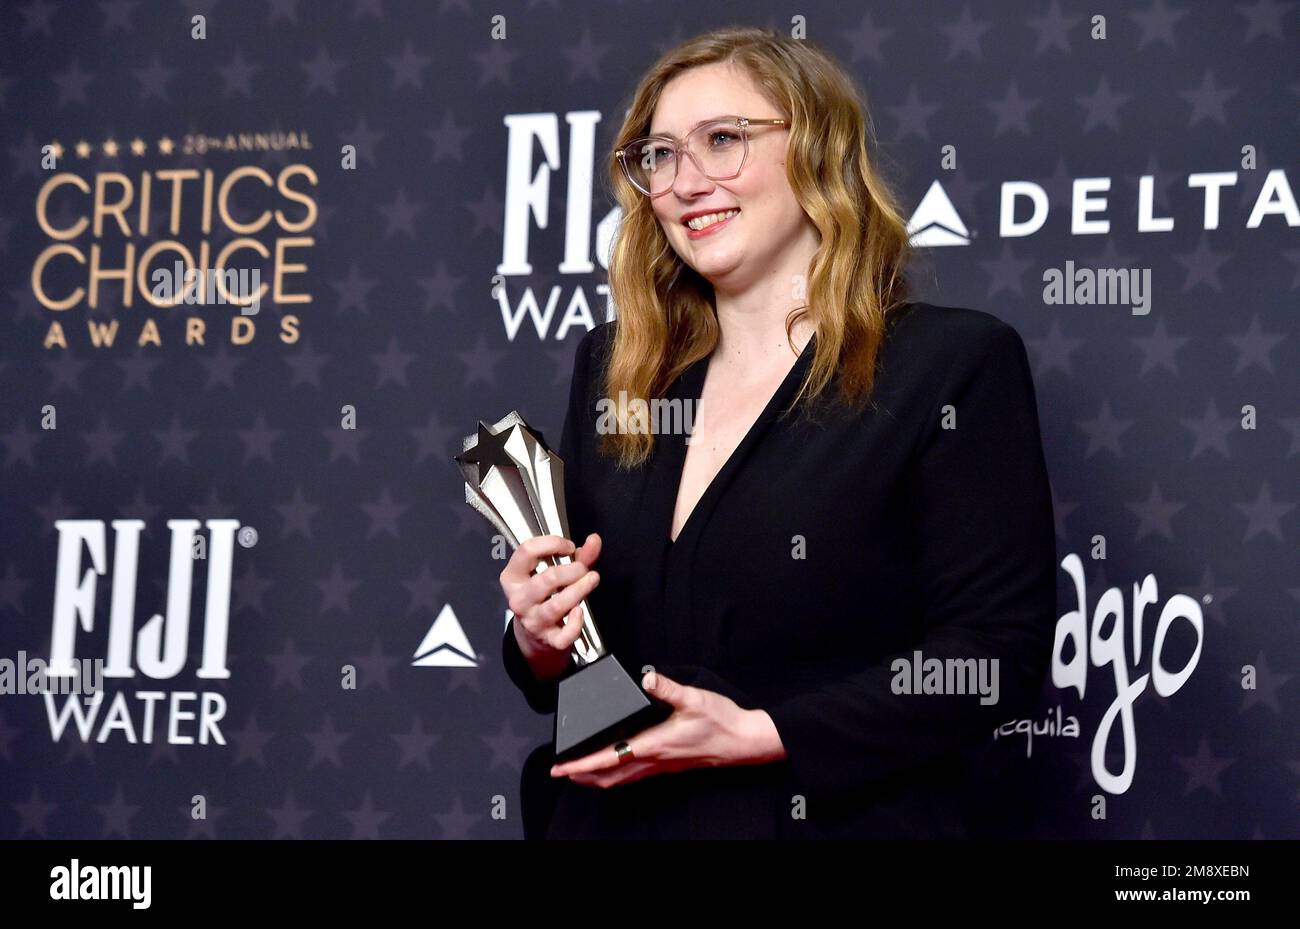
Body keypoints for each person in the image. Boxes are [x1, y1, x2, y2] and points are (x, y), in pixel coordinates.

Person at [498, 26, 1056, 839]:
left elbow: (992, 657)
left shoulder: (950, 364)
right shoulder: (617, 367)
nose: (686, 182)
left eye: (723, 141)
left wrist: (765, 734)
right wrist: (540, 637)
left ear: (819, 152)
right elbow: (579, 672)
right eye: (658, 156)